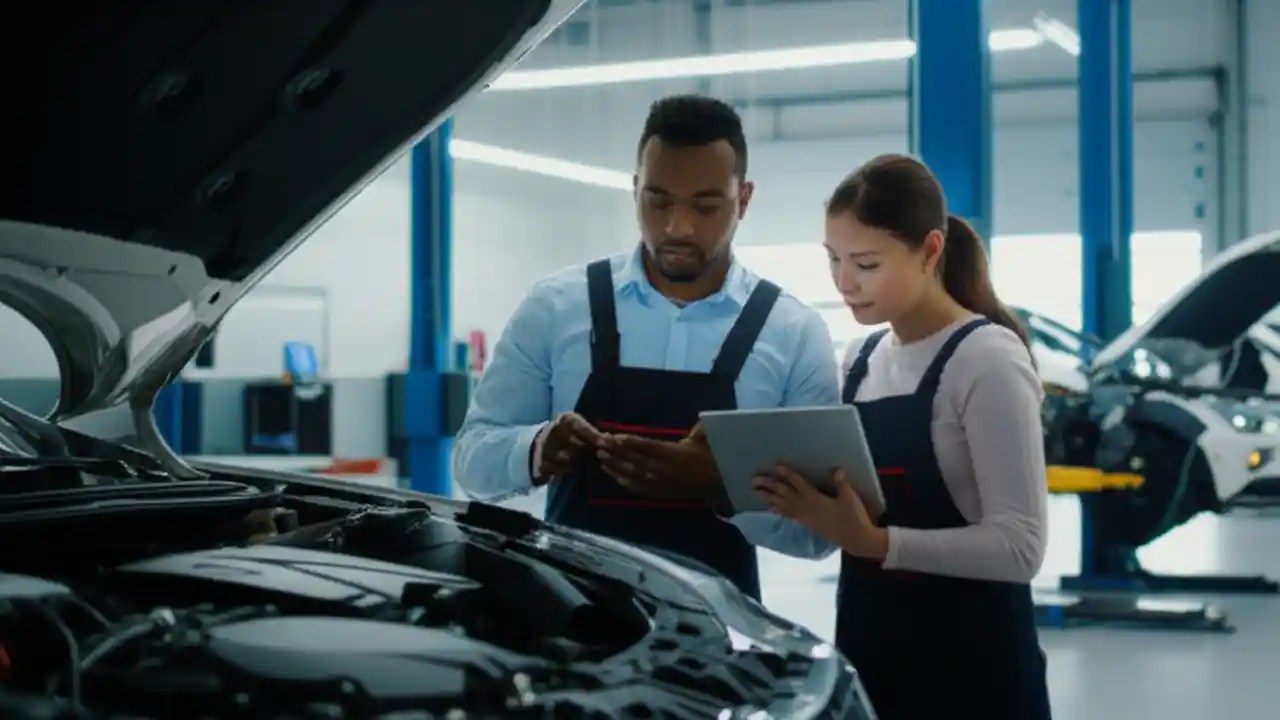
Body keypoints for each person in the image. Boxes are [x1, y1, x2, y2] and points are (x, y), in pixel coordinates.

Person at [451, 94, 840, 602]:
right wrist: (538, 448)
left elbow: (819, 535)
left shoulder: (791, 332)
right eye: (658, 201)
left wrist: (722, 485)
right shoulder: (557, 307)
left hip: (716, 638)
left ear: (743, 199)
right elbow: (471, 463)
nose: (678, 227)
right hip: (572, 624)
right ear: (635, 190)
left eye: (705, 206)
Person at [725, 153, 1052, 719]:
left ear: (929, 250)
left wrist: (877, 543)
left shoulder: (987, 359)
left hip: (976, 673)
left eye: (866, 264)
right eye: (833, 260)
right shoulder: (860, 359)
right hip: (873, 659)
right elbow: (843, 520)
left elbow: (1020, 548)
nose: (844, 282)